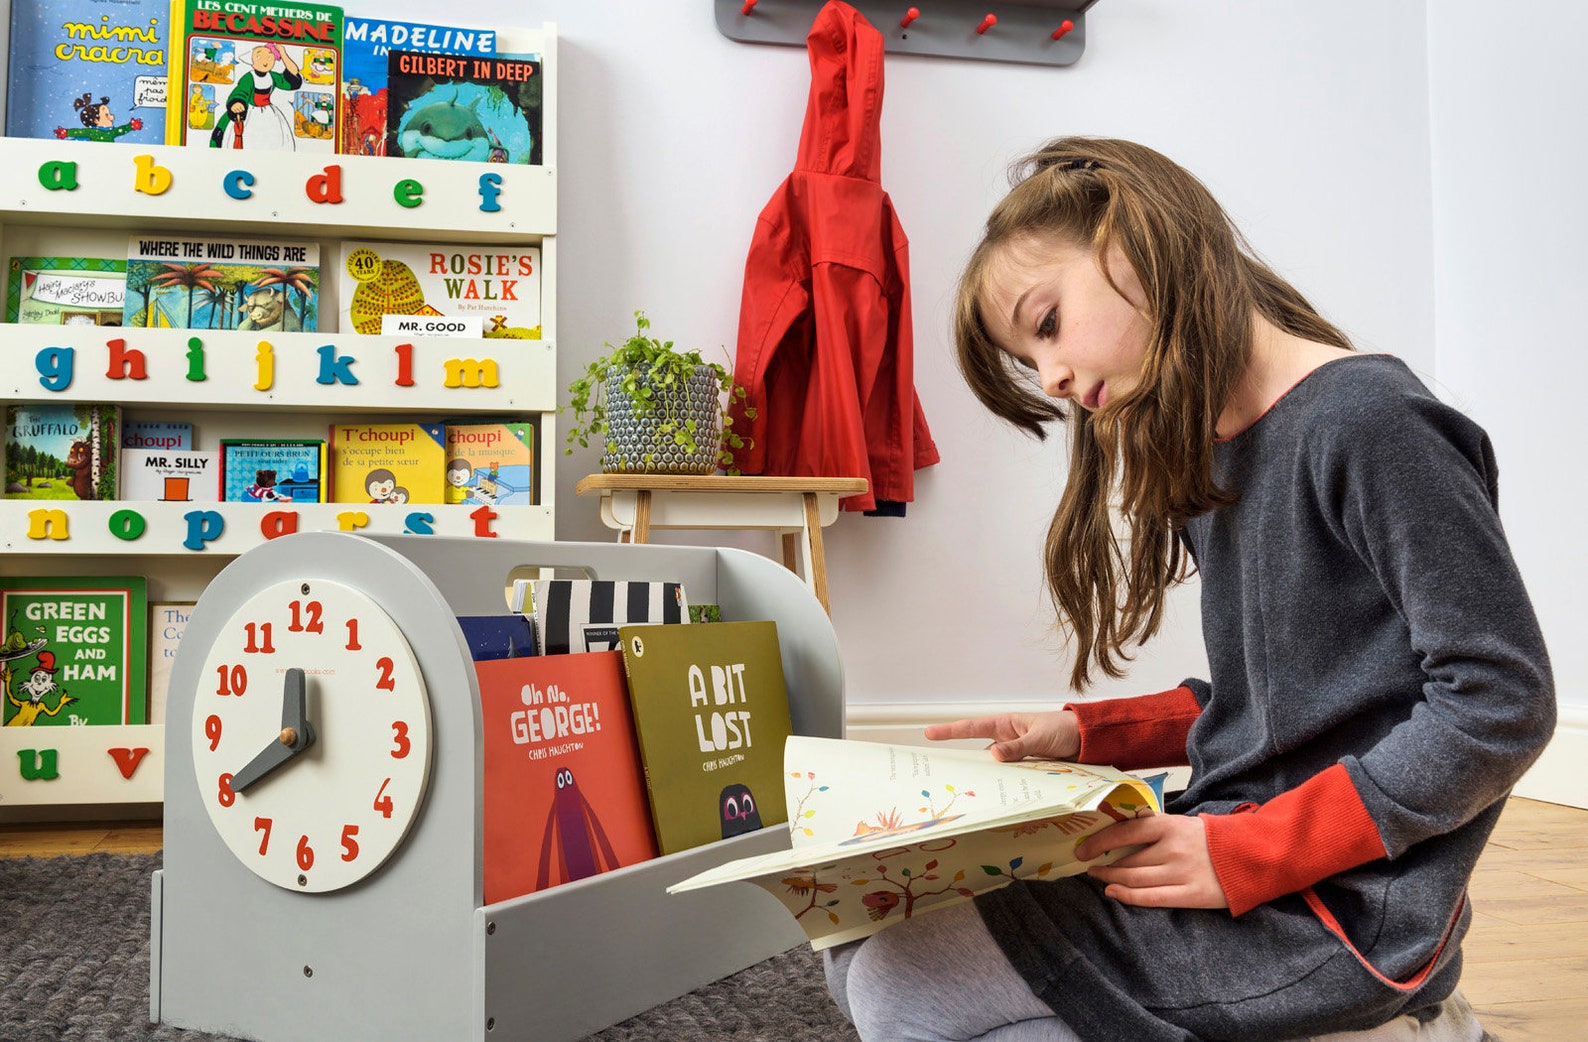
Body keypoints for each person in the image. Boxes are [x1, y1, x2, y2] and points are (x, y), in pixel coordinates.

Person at [822, 137, 1555, 1042]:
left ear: (1134, 241)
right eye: (1031, 362)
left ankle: (1396, 1025)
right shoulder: (1217, 455)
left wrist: (1244, 853)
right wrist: (1089, 735)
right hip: (1234, 841)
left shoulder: (1370, 426)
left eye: (1046, 323)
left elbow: (1501, 704)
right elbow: (1283, 699)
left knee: (903, 980)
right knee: (861, 930)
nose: (1050, 378)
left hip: (1341, 912)